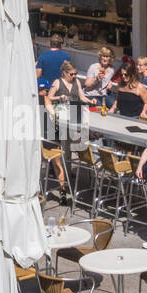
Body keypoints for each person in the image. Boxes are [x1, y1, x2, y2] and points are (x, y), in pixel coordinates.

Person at [44, 62, 89, 194]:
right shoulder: (58, 82)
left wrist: (89, 101)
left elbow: (81, 96)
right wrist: (60, 96)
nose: (74, 76)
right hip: (62, 117)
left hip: (75, 116)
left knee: (71, 146)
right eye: (71, 74)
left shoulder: (77, 82)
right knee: (65, 147)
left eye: (75, 74)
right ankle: (66, 179)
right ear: (64, 72)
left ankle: (66, 175)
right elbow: (49, 97)